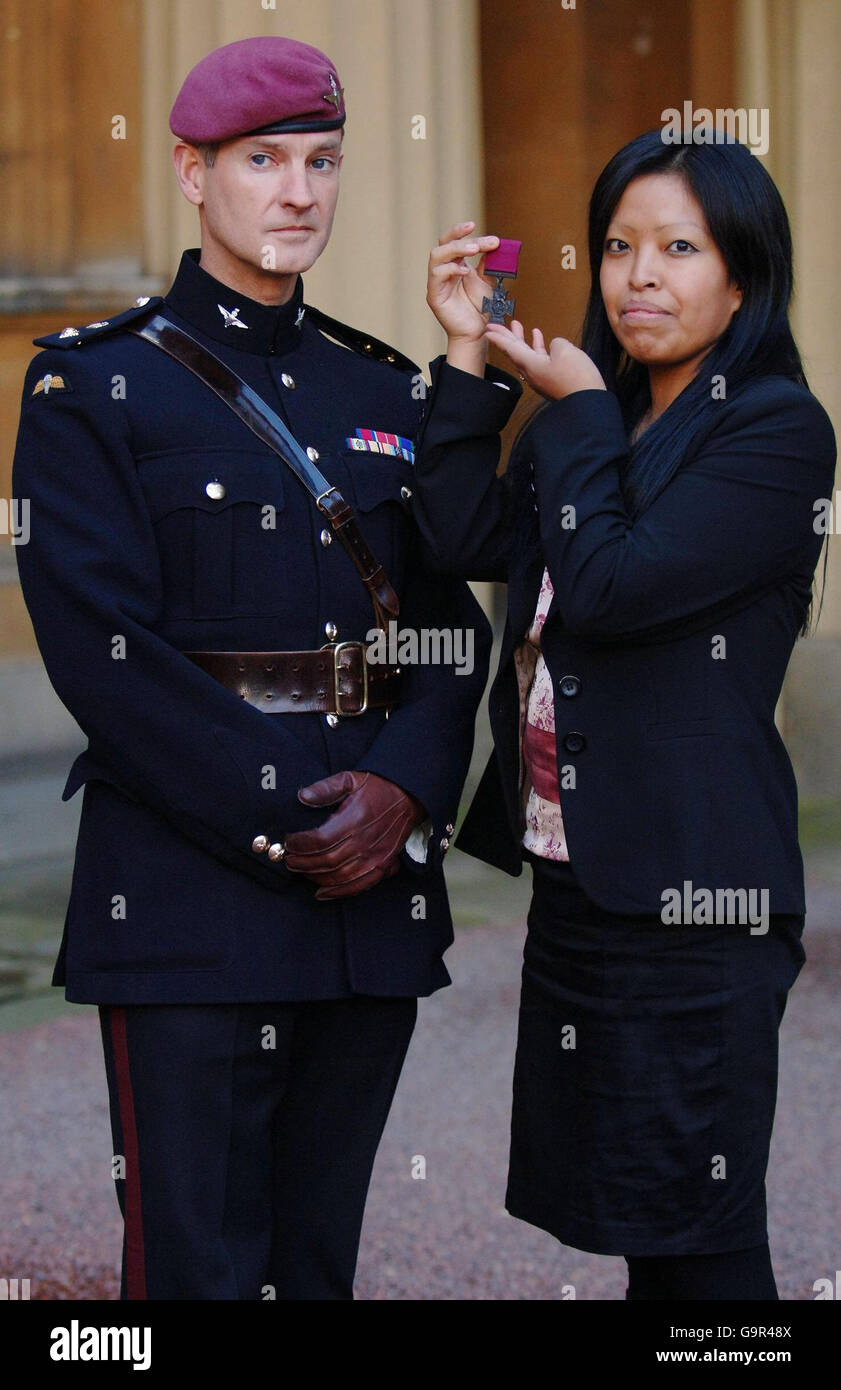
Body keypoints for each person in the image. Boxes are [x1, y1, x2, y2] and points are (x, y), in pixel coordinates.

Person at [12, 35, 490, 1300]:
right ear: (190, 172)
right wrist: (295, 823)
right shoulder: (91, 386)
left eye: (322, 161)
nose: (298, 191)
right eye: (262, 160)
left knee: (315, 1263)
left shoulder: (379, 384)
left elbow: (448, 627)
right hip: (191, 896)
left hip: (367, 891)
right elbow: (103, 652)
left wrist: (403, 790)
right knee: (195, 1274)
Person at [412, 129, 836, 1300]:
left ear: (741, 275)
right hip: (587, 879)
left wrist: (585, 413)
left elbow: (610, 585)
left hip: (697, 894)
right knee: (642, 1211)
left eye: (678, 247)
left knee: (702, 1235)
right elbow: (459, 540)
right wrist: (465, 358)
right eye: (616, 246)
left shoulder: (774, 431)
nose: (638, 274)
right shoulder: (583, 422)